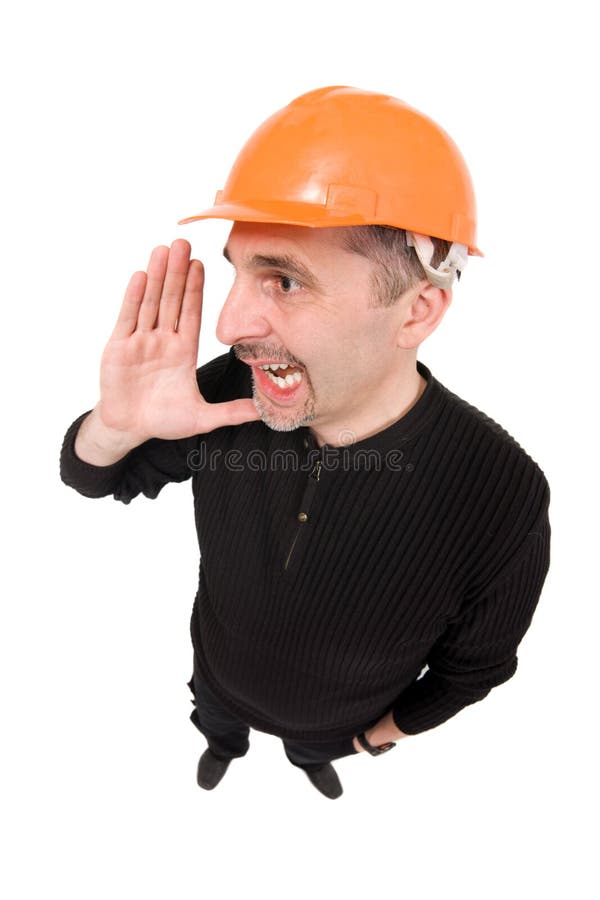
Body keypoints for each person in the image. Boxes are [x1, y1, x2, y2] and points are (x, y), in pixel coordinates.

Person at [60, 86, 551, 800]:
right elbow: (93, 477)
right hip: (217, 680)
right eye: (239, 270)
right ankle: (221, 747)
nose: (229, 326)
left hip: (336, 724)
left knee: (310, 753)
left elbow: (474, 669)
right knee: (216, 725)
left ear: (417, 311)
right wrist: (117, 427)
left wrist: (368, 739)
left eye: (284, 281)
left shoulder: (502, 492)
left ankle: (309, 760)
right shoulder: (234, 389)